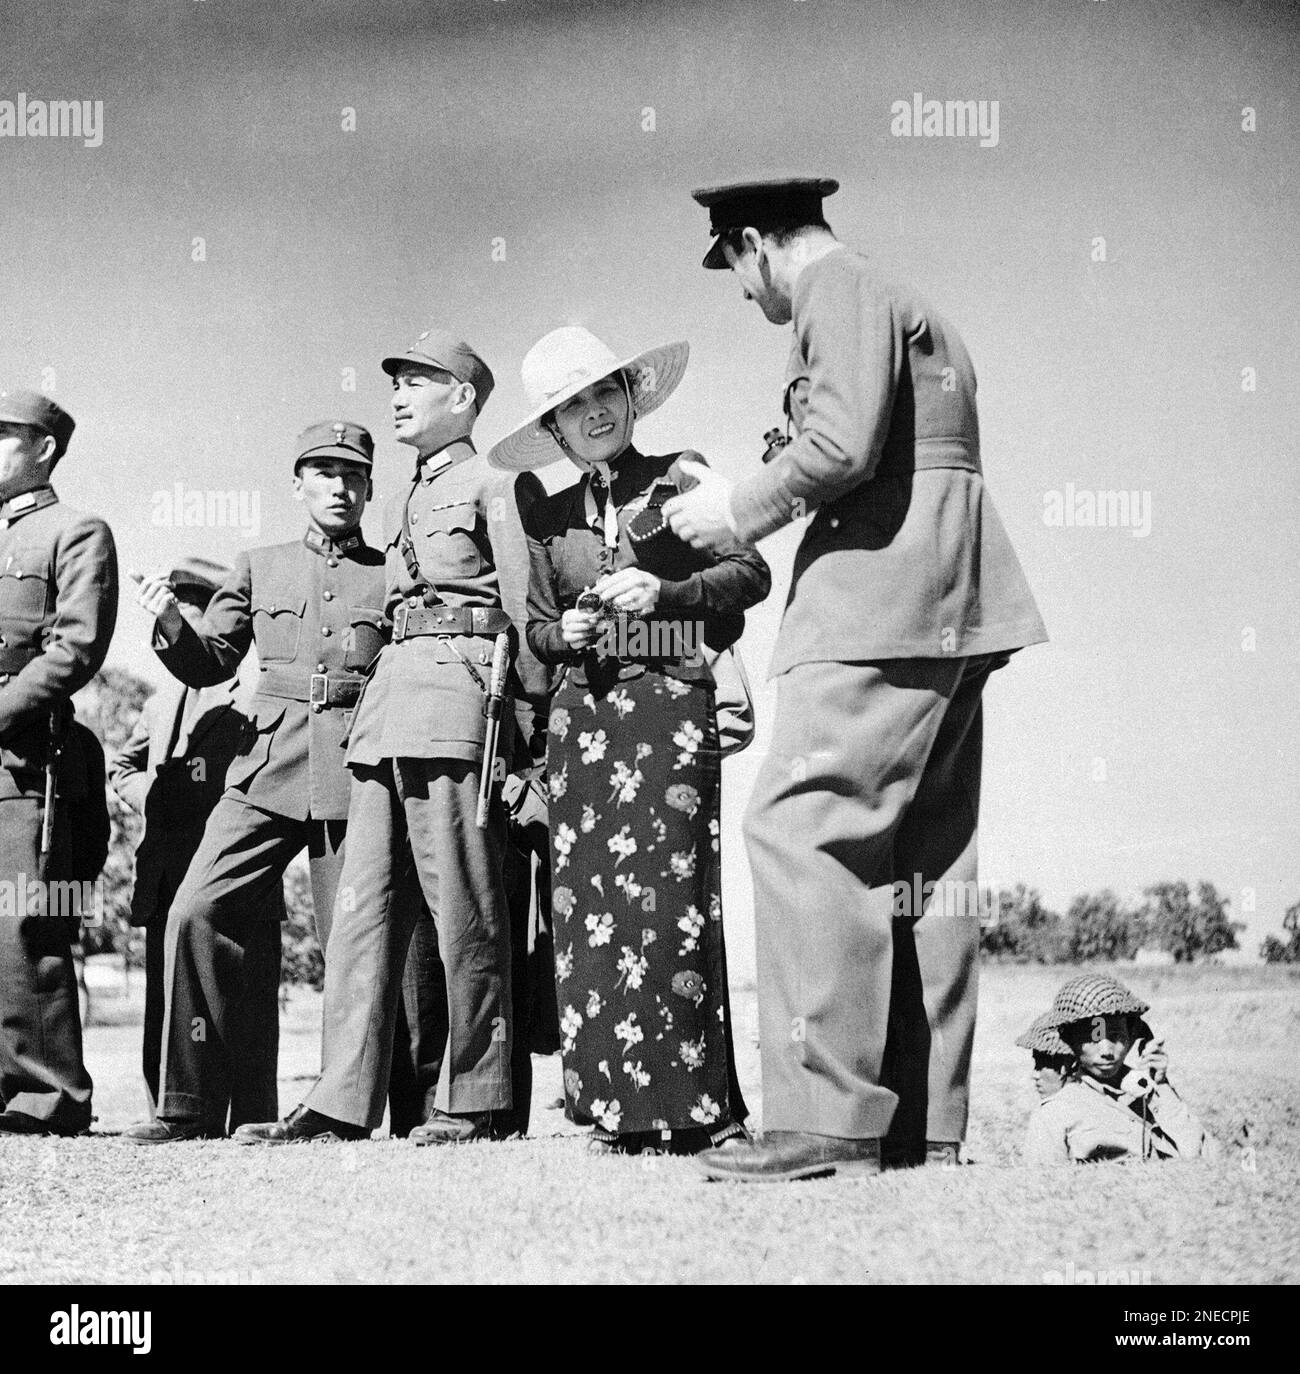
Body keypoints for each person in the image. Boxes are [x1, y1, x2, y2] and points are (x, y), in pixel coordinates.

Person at [667, 176, 1048, 1182]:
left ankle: (823, 1119)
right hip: (950, 598)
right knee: (925, 859)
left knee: (802, 829)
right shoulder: (905, 302)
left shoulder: (835, 289)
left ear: (753, 242)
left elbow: (837, 446)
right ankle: (918, 1127)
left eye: (737, 273)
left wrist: (735, 511)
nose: (748, 299)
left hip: (875, 598)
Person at [237, 329, 533, 1147]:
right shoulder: (408, 492)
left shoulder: (498, 483)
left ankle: (476, 1098)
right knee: (361, 914)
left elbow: (528, 616)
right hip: (385, 714)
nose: (398, 395)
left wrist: (529, 744)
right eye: (395, 382)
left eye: (418, 382)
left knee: (465, 908)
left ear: (464, 398)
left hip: (460, 707)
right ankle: (340, 1100)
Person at [490, 325, 771, 1155]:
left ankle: (699, 1110)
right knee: (590, 913)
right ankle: (615, 1112)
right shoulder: (543, 512)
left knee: (675, 906)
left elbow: (751, 576)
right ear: (554, 431)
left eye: (602, 393)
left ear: (629, 396)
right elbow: (534, 631)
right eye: (571, 407)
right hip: (583, 723)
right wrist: (564, 629)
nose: (592, 413)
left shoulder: (679, 475)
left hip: (671, 707)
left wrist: (669, 591)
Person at [122, 422, 386, 1142]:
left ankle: (342, 1113)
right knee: (195, 912)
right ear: (297, 484)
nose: (339, 486)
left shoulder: (393, 575)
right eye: (323, 472)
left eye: (353, 474)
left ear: (369, 487)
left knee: (355, 941)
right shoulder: (257, 565)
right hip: (266, 770)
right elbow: (211, 660)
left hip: (356, 775)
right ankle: (186, 1107)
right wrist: (172, 621)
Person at [108, 556, 286, 1120]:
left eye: (192, 607)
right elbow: (123, 768)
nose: (179, 616)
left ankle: (253, 1110)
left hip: (239, 860)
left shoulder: (251, 693)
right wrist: (157, 805)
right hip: (167, 867)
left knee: (250, 992)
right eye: (174, 607)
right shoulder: (158, 703)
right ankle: (172, 1105)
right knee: (168, 991)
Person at [0, 387, 117, 1138]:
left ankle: (47, 1096)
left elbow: (74, 647)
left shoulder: (76, 532)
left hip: (23, 756)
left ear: (43, 447)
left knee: (22, 925)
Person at [1024, 973, 1218, 1165]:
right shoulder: (1055, 1113)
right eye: (1093, 1039)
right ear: (1071, 1041)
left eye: (1117, 1036)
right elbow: (1044, 1184)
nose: (1107, 1051)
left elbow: (1202, 1158)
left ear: (1132, 1037)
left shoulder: (1146, 1097)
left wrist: (1160, 1085)